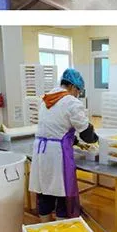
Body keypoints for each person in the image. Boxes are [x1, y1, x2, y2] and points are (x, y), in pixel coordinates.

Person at [29, 69, 98, 222]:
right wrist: (96, 139)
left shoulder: (46, 99)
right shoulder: (71, 102)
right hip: (56, 153)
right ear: (73, 87)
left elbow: (55, 127)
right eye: (78, 91)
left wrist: (75, 141)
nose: (77, 94)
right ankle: (61, 228)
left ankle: (45, 226)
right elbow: (86, 132)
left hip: (41, 149)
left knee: (44, 189)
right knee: (61, 191)